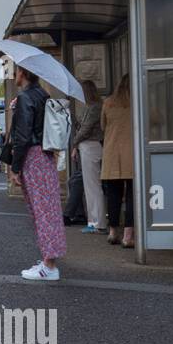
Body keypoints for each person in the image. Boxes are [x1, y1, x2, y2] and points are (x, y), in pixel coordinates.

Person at [4, 65, 66, 281]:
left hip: (33, 157)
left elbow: (22, 136)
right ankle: (48, 260)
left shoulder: (25, 98)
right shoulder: (42, 95)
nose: (14, 76)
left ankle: (49, 266)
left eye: (16, 72)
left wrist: (15, 167)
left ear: (22, 74)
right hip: (45, 155)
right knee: (48, 209)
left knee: (42, 211)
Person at [101, 74, 135, 248]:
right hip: (132, 154)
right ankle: (128, 235)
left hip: (112, 153)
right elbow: (156, 119)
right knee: (132, 195)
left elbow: (103, 125)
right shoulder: (138, 102)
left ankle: (113, 231)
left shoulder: (108, 102)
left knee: (113, 194)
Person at [70, 79, 106, 234]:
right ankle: (93, 221)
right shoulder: (91, 107)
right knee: (90, 186)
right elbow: (83, 126)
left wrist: (74, 143)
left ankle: (97, 222)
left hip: (90, 146)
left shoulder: (94, 108)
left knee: (93, 186)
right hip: (89, 146)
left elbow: (85, 130)